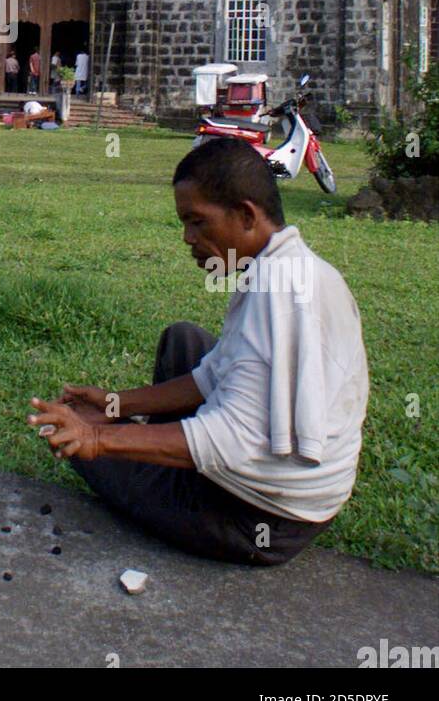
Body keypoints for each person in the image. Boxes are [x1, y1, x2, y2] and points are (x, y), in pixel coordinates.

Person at [28, 136, 369, 567]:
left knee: (76, 447)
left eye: (197, 222)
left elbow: (232, 438)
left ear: (246, 215)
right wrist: (115, 405)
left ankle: (160, 462)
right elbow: (214, 375)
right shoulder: (290, 265)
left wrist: (97, 438)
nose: (188, 238)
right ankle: (157, 447)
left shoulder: (276, 292)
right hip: (287, 489)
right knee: (184, 340)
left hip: (262, 519)